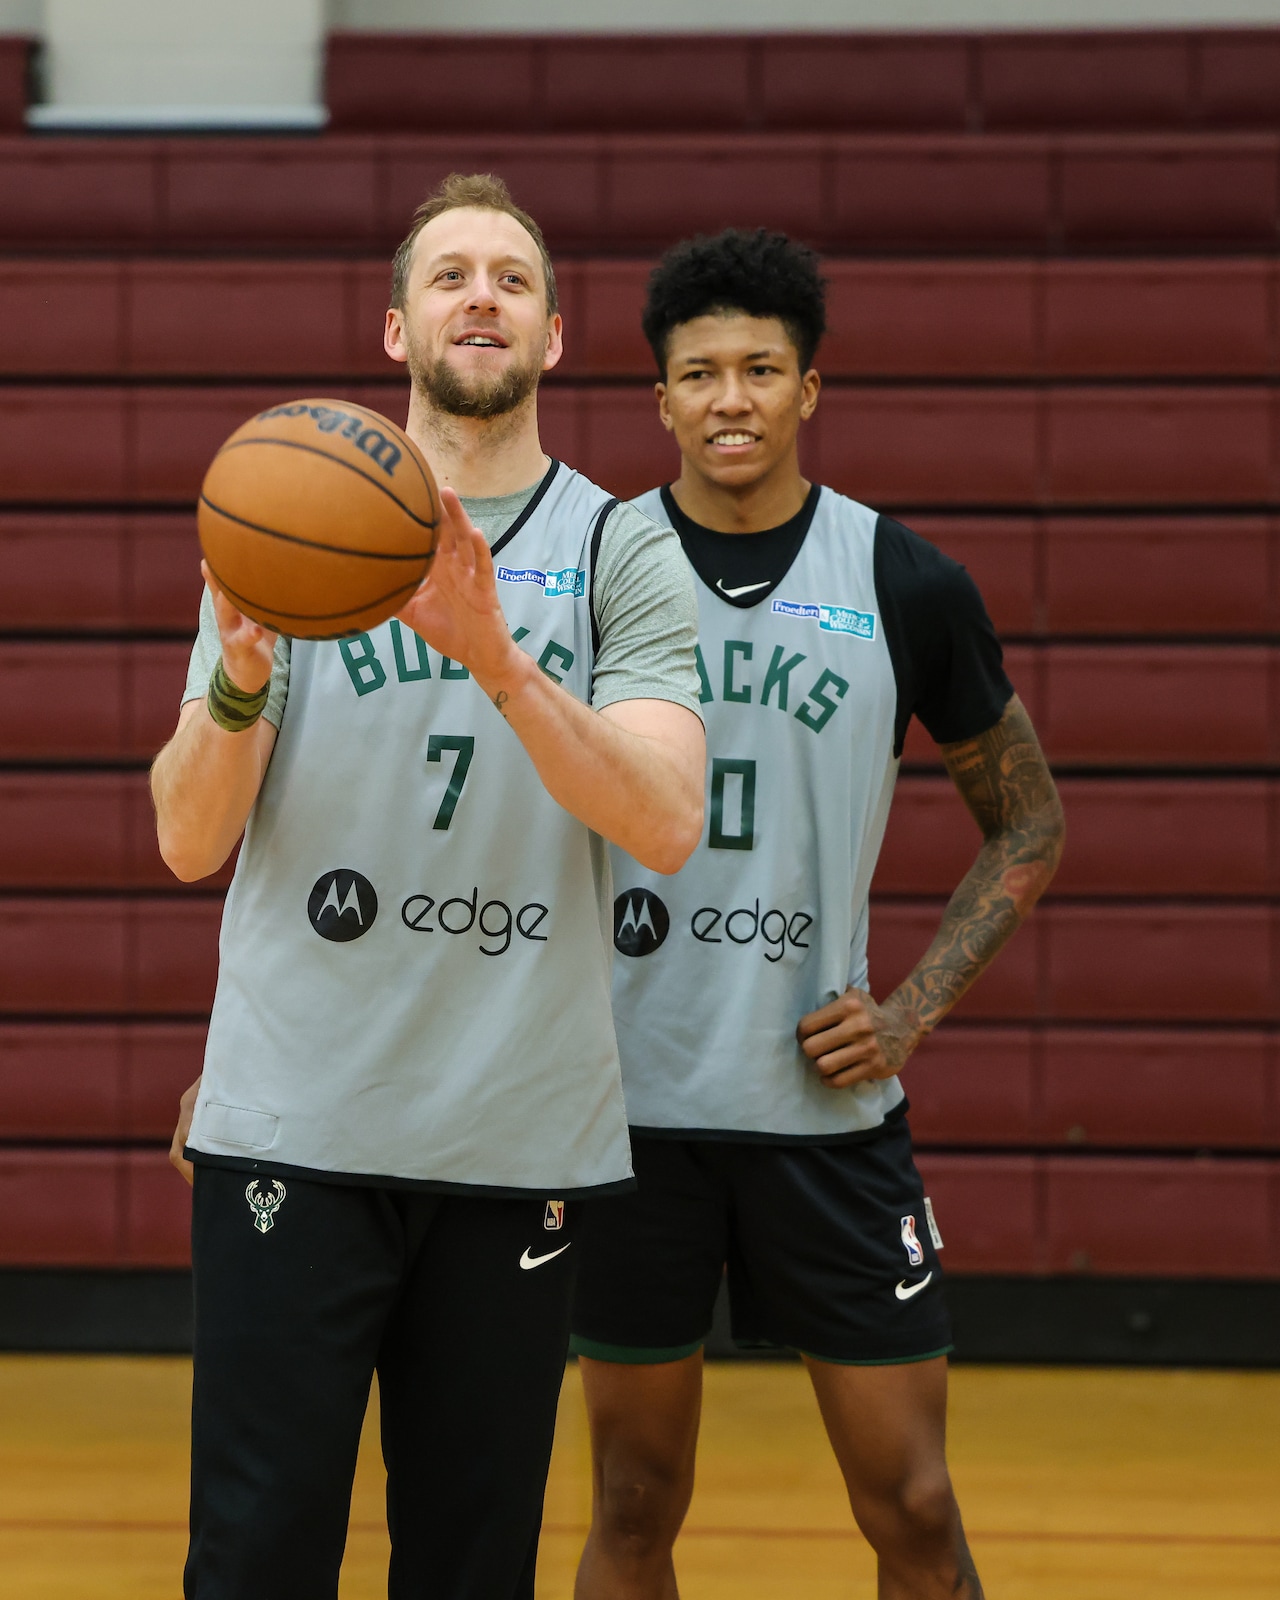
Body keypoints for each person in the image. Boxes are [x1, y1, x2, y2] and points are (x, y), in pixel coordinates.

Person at [152, 172, 706, 1600]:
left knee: (470, 1568)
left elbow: (663, 819)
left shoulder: (617, 543)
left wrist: (502, 661)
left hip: (512, 1132)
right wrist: (240, 680)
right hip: (296, 1116)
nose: (480, 297)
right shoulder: (281, 510)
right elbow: (186, 839)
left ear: (557, 338)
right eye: (449, 275)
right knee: (258, 1553)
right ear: (392, 328)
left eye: (511, 280)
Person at [569, 228, 1066, 1600]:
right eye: (699, 373)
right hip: (628, 1117)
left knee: (913, 1506)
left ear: (809, 390)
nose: (731, 397)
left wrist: (911, 1008)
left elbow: (1031, 818)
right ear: (660, 400)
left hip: (823, 1118)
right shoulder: (593, 565)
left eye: (761, 369)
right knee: (629, 1500)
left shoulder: (905, 580)